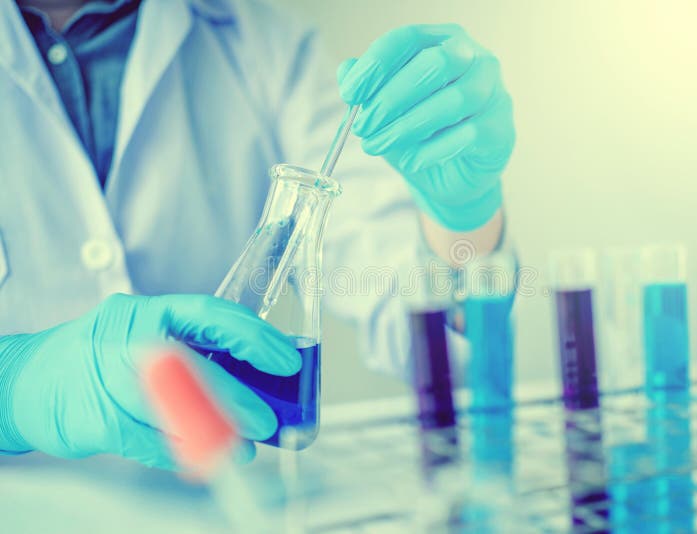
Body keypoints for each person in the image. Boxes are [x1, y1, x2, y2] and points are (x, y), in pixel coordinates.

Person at [0, 0, 515, 469]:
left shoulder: (261, 41)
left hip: (230, 500)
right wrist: (15, 387)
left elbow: (417, 322)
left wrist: (460, 218)